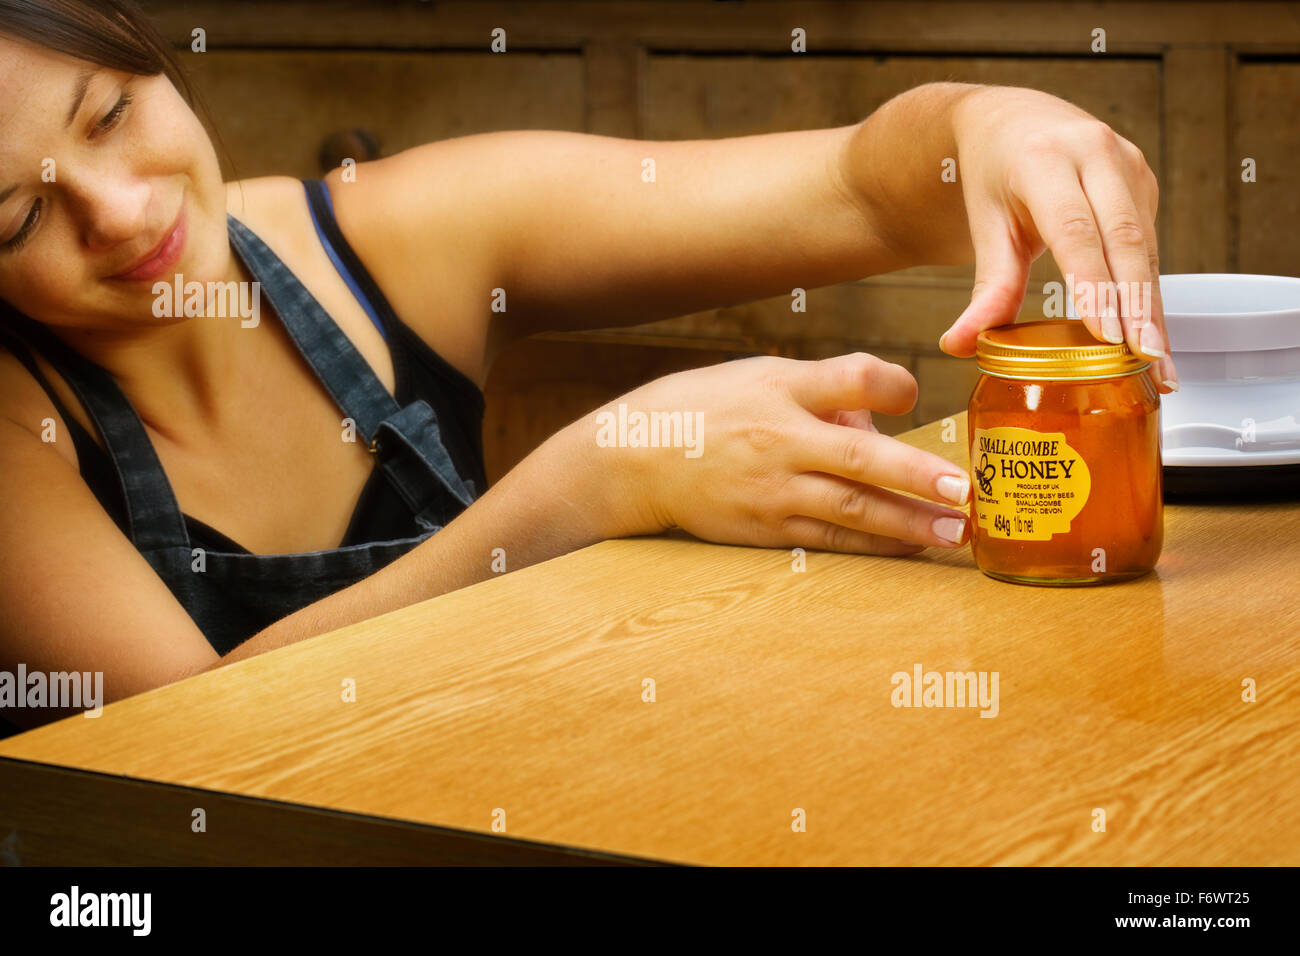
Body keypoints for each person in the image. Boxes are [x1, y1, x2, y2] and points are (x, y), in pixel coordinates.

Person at [0, 0, 1174, 733]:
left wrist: (987, 128)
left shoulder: (388, 237)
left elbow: (858, 188)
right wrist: (593, 480)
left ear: (148, 51)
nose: (118, 212)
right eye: (15, 218)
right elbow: (172, 743)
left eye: (110, 115)